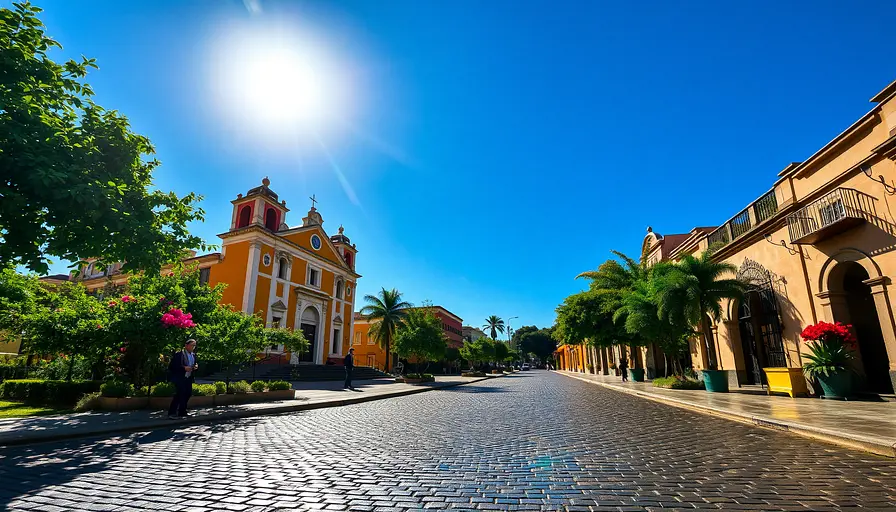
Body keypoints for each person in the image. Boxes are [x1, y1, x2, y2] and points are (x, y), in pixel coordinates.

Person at [168, 339, 198, 419]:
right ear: (186, 345)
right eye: (192, 345)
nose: (193, 347)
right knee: (179, 394)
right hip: (180, 377)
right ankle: (172, 412)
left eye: (194, 345)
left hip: (188, 377)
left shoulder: (193, 355)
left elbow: (193, 364)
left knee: (188, 393)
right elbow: (172, 366)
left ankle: (182, 411)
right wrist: (184, 368)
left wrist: (195, 367)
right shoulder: (179, 355)